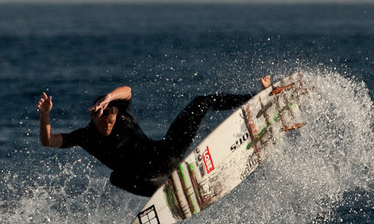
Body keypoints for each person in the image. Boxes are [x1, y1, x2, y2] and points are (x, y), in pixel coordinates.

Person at [37, 76, 271, 196]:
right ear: (93, 118)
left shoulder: (122, 113)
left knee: (201, 101)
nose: (107, 127)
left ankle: (257, 97)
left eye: (110, 122)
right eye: (103, 123)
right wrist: (45, 115)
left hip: (165, 154)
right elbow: (48, 141)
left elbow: (127, 91)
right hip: (144, 176)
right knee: (116, 178)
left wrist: (109, 97)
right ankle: (166, 193)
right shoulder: (85, 136)